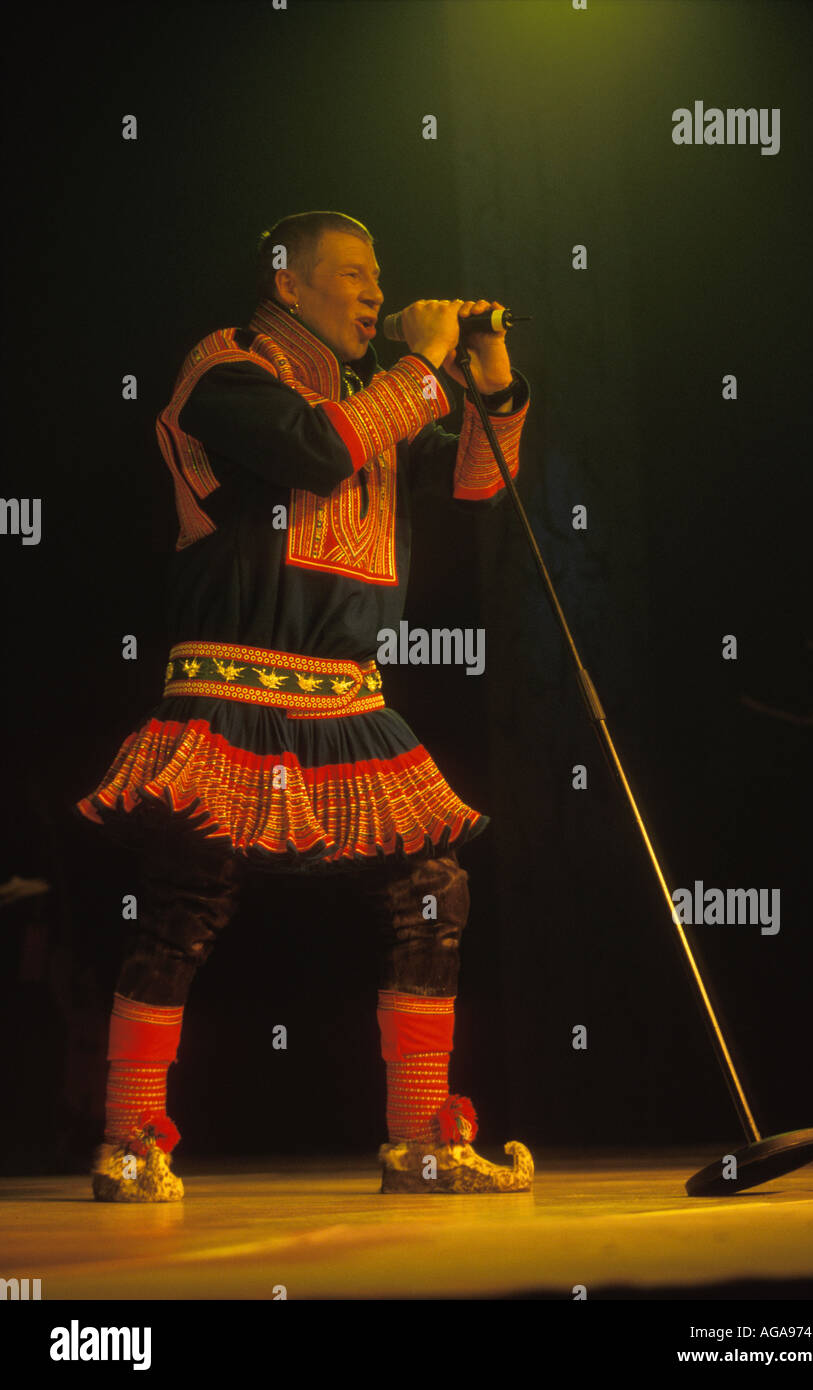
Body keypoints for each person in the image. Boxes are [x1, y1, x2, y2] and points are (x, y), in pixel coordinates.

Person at [75, 210, 534, 1199]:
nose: (376, 292)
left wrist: (487, 381)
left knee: (433, 887)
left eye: (381, 276)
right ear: (286, 281)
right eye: (355, 275)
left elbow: (476, 487)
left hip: (346, 696)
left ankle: (420, 1136)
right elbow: (320, 451)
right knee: (185, 905)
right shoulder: (227, 368)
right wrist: (421, 371)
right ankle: (128, 1139)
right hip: (232, 679)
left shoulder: (376, 398)